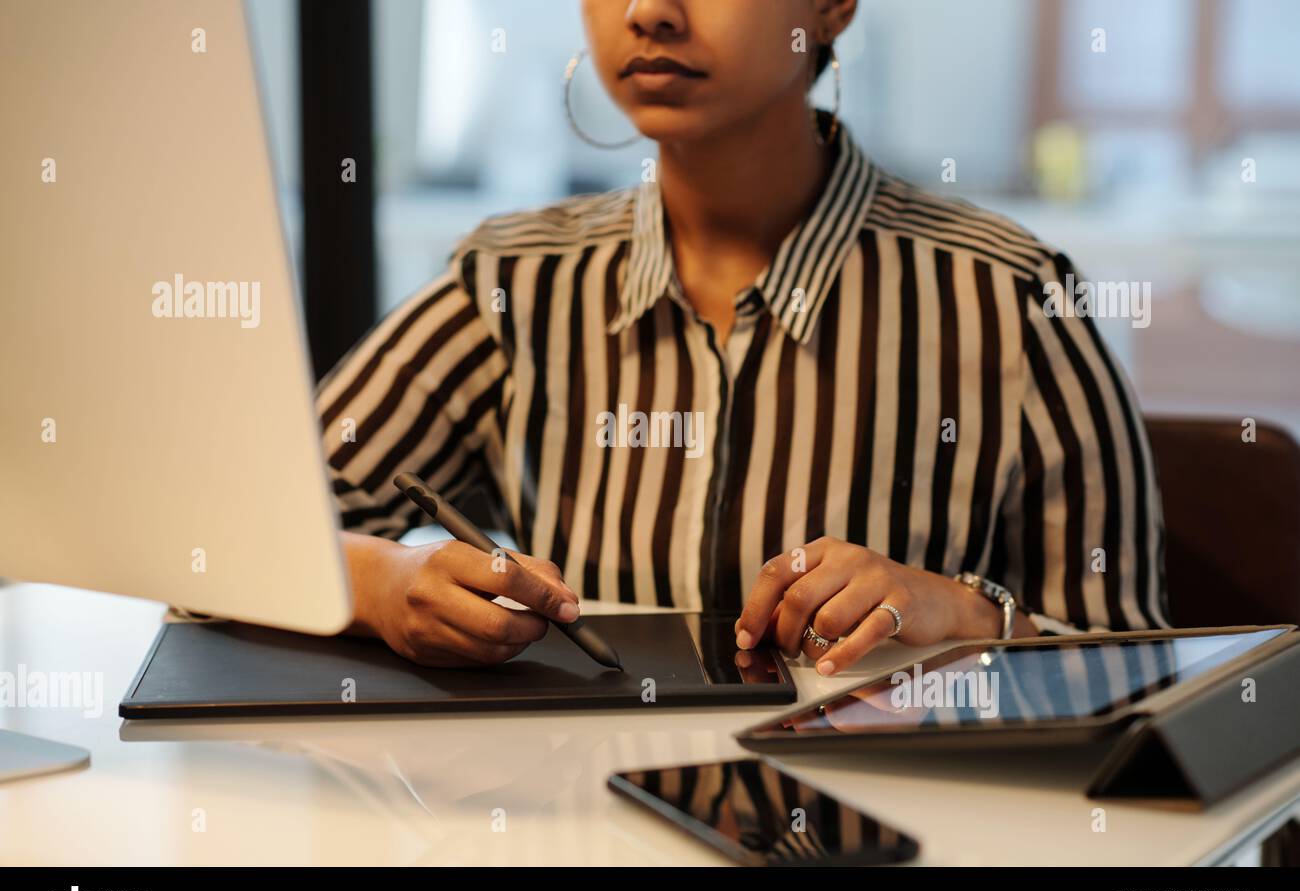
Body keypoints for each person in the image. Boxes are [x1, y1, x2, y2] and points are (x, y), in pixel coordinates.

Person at [318, 0, 1169, 672]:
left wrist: (961, 612)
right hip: (583, 817)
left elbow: (1136, 661)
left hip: (889, 828)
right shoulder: (517, 280)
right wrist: (388, 586)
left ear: (834, 6)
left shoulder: (1008, 295)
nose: (649, 10)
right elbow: (262, 523)